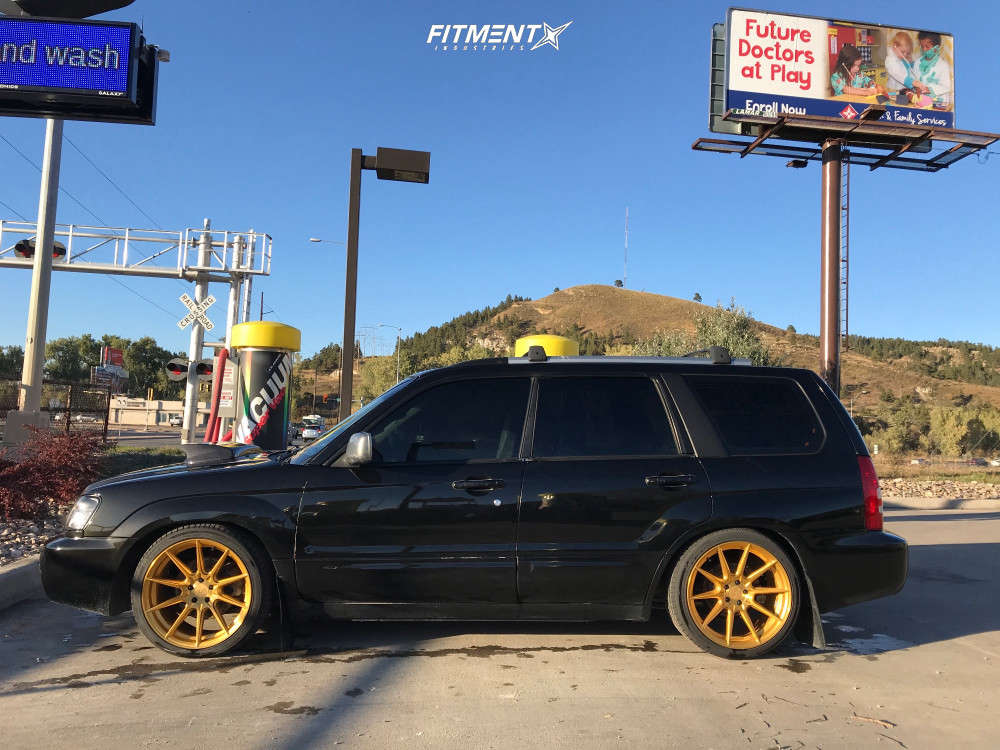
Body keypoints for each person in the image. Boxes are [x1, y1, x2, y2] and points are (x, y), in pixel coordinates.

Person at [915, 30, 952, 108]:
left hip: (938, 104)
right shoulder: (917, 63)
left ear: (936, 48)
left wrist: (931, 89)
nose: (924, 49)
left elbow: (946, 87)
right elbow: (914, 80)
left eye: (927, 47)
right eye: (922, 46)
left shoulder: (943, 65)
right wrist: (915, 88)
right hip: (920, 103)